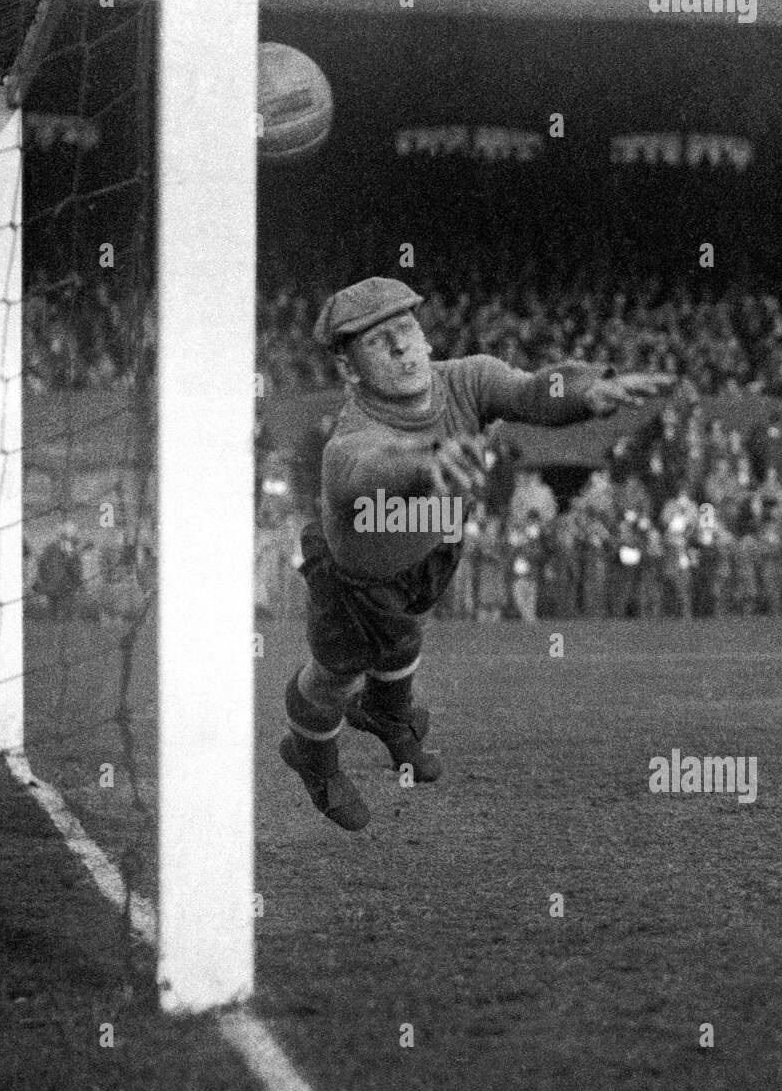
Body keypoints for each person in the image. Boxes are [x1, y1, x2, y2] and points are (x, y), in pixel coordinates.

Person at [279, 276, 670, 831]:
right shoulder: (350, 437)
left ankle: (387, 717)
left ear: (426, 338)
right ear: (349, 369)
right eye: (375, 342)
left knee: (403, 640)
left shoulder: (465, 379)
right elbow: (367, 466)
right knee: (334, 677)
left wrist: (587, 390)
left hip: (426, 552)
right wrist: (425, 457)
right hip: (356, 578)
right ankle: (313, 760)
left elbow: (534, 391)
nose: (398, 347)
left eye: (405, 330)